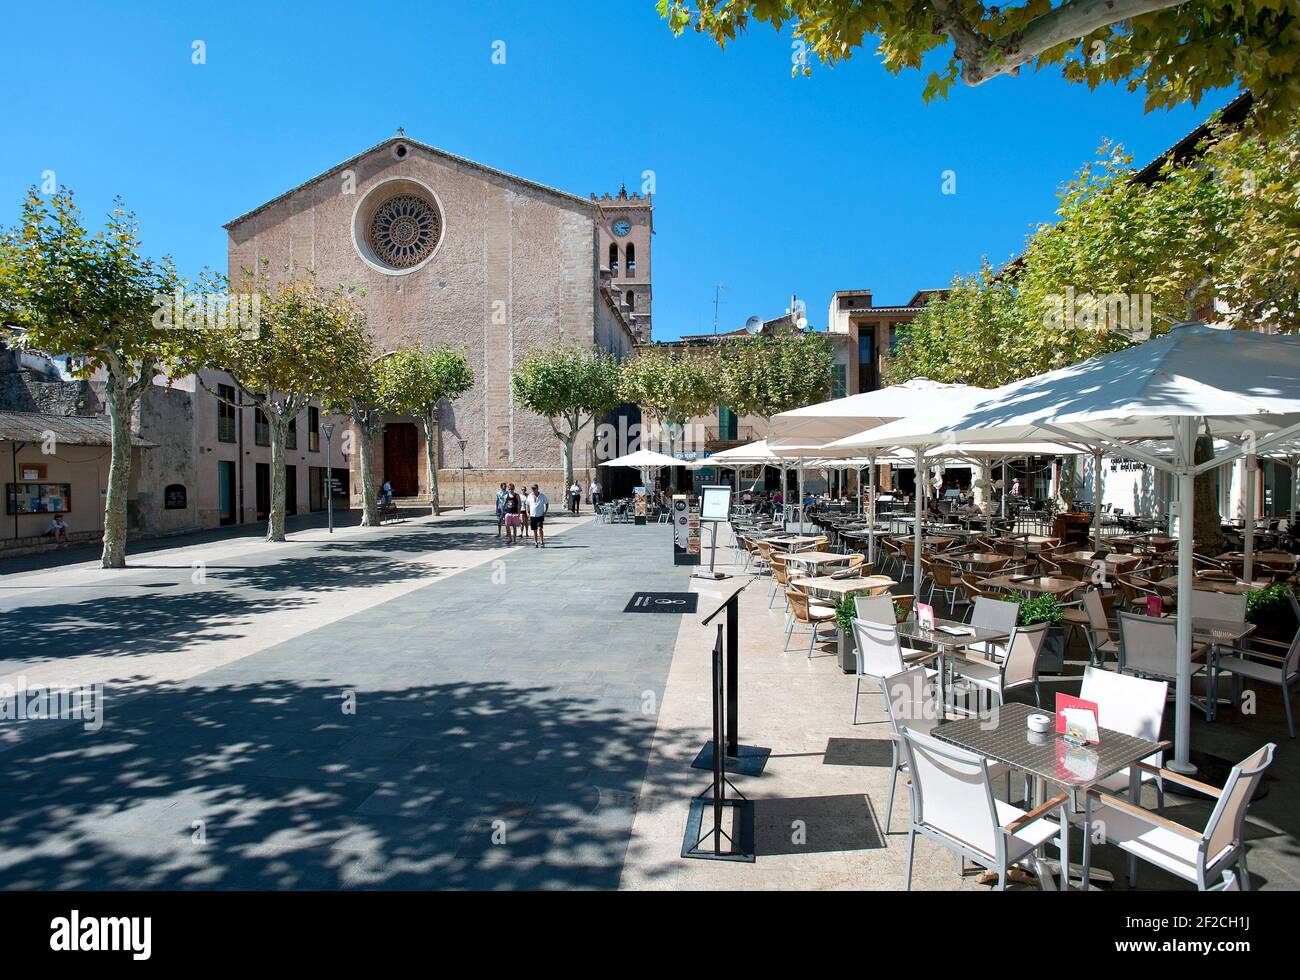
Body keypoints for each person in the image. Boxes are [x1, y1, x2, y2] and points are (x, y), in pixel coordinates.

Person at [528, 483, 549, 547]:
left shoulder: (542, 496)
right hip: (532, 515)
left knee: (540, 528)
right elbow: (527, 504)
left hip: (540, 515)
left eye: (534, 488)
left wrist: (545, 512)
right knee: (534, 529)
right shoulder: (530, 496)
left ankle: (542, 541)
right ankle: (536, 542)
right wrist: (527, 513)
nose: (533, 490)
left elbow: (547, 503)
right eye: (532, 488)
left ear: (537, 489)